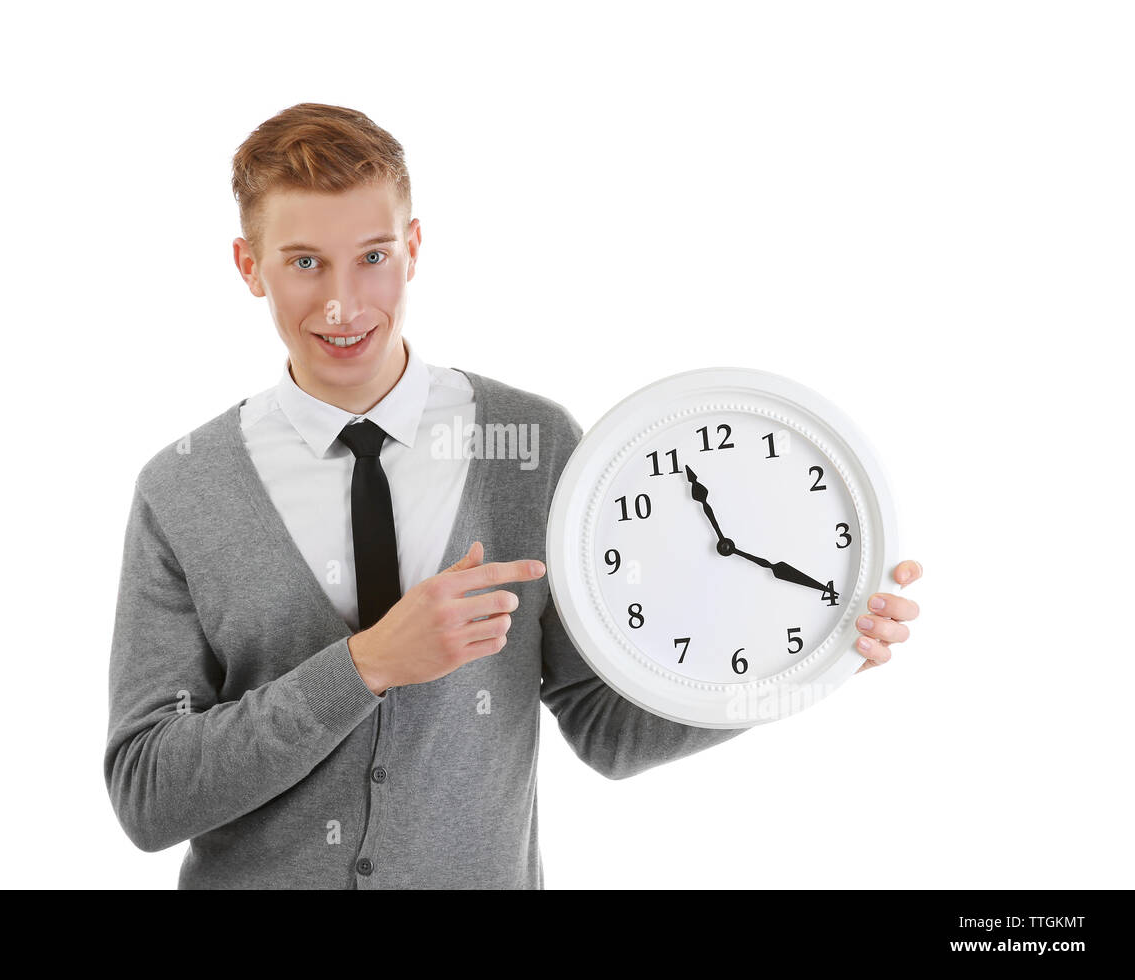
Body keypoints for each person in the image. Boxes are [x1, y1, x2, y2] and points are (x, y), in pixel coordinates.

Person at [104, 103, 925, 889]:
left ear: (415, 246)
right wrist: (368, 665)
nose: (343, 304)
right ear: (250, 266)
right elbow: (148, 792)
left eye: (374, 256)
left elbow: (606, 729)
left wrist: (807, 657)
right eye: (304, 261)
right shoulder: (183, 489)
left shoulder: (532, 448)